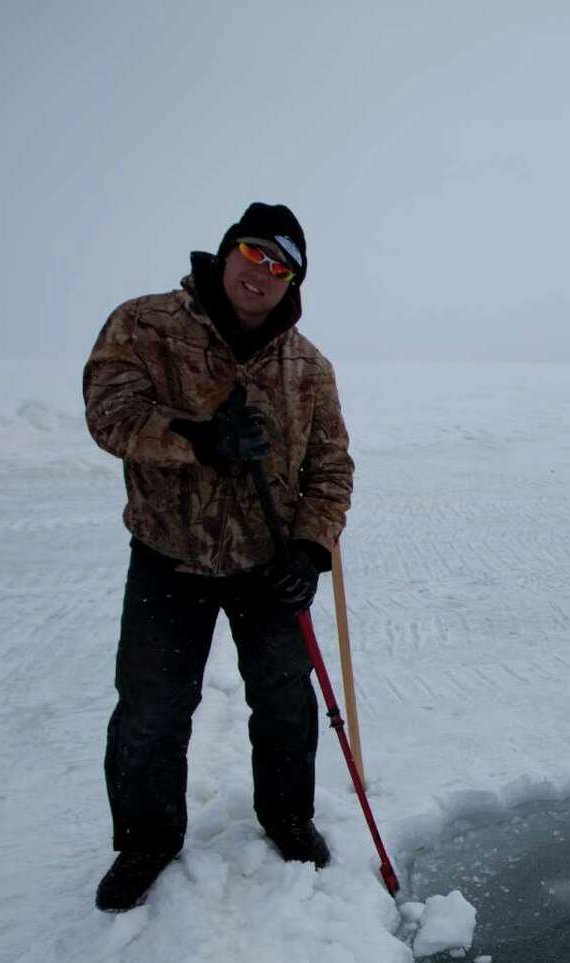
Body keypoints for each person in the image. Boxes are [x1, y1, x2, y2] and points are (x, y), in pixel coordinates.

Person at [84, 202, 354, 912]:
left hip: (269, 567)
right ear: (227, 252)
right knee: (150, 709)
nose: (261, 276)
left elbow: (331, 470)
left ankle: (288, 815)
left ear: (293, 283)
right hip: (169, 557)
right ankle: (146, 838)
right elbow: (108, 413)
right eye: (253, 255)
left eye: (280, 268)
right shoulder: (146, 325)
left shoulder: (308, 366)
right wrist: (197, 437)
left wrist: (310, 548)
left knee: (287, 703)